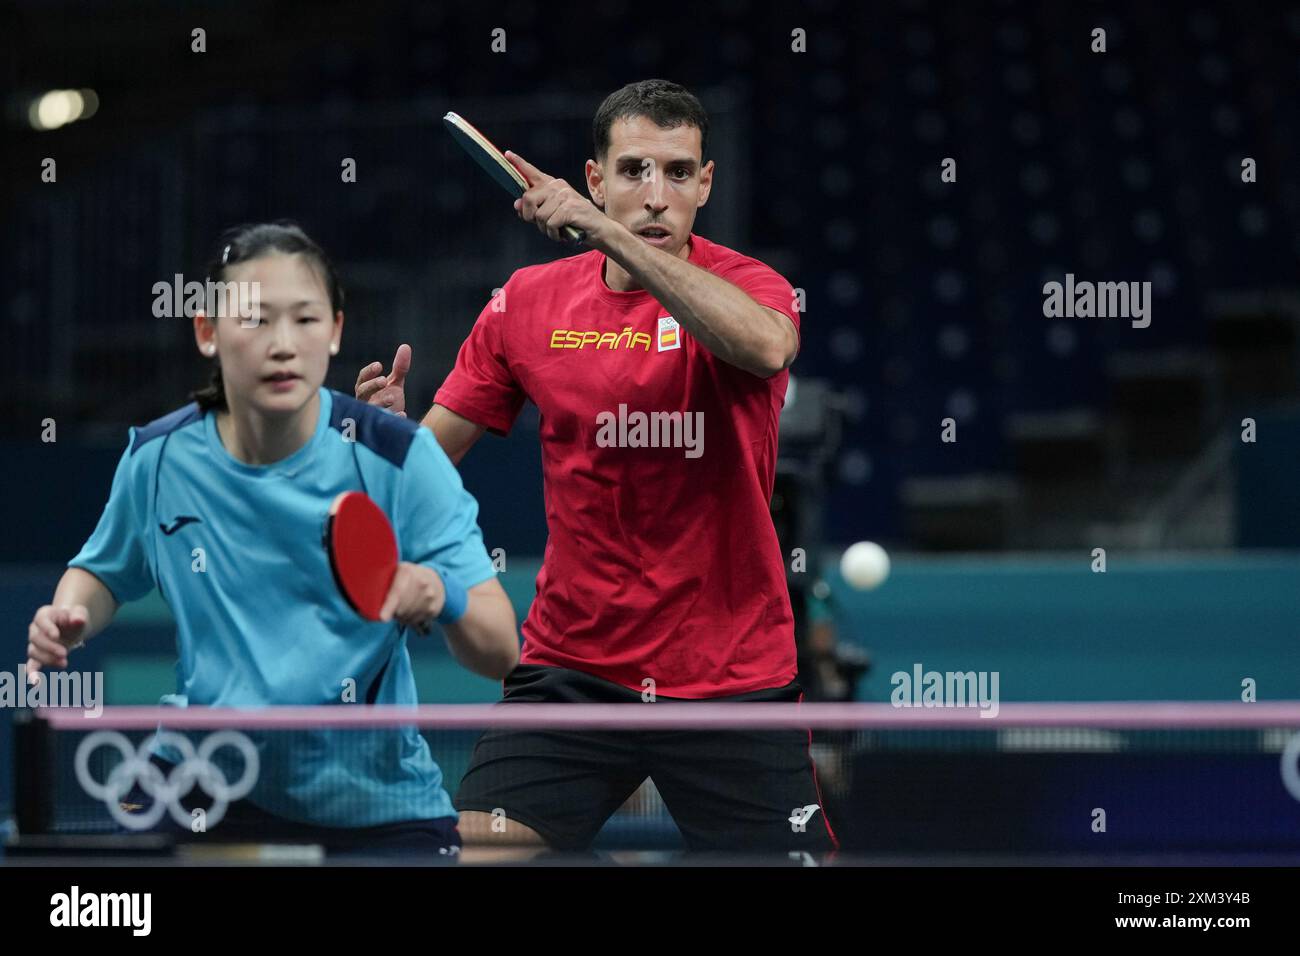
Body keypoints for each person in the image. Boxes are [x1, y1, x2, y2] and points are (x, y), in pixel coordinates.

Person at [358, 79, 837, 854]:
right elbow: (424, 464)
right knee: (474, 856)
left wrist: (602, 235)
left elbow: (764, 346)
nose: (656, 195)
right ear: (594, 179)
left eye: (678, 173)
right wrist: (388, 436)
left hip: (730, 674)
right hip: (573, 668)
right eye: (633, 171)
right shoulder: (525, 304)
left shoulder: (751, 288)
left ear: (706, 184)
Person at [25, 221, 518, 856]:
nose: (283, 344)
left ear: (335, 330)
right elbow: (102, 571)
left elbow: (502, 647)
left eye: (306, 320)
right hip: (203, 781)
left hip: (372, 799)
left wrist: (441, 593)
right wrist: (70, 615)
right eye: (256, 319)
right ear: (207, 331)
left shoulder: (397, 457)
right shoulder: (159, 458)